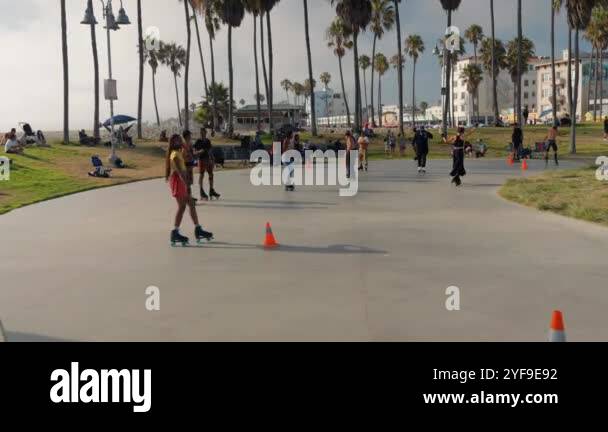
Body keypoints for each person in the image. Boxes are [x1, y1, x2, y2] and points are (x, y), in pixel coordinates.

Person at [165, 134, 213, 246]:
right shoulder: (174, 155)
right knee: (182, 207)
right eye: (176, 141)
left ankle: (198, 229)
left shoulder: (179, 152)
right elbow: (179, 171)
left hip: (181, 181)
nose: (179, 142)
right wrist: (186, 183)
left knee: (191, 204)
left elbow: (188, 155)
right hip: (178, 181)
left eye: (179, 140)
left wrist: (184, 145)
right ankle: (175, 232)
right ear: (172, 144)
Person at [193, 128, 220, 201]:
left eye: (203, 132)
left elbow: (210, 150)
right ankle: (201, 191)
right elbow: (194, 151)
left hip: (208, 160)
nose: (202, 134)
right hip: (201, 160)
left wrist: (213, 159)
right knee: (201, 175)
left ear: (205, 132)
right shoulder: (198, 141)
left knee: (211, 174)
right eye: (201, 132)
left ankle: (211, 190)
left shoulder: (207, 141)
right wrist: (199, 152)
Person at [181, 130, 197, 202]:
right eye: (189, 135)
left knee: (189, 182)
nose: (190, 136)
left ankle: (189, 197)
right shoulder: (182, 144)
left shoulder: (190, 144)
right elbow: (182, 154)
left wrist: (194, 160)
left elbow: (192, 154)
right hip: (185, 164)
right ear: (187, 136)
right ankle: (187, 198)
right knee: (186, 182)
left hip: (190, 164)